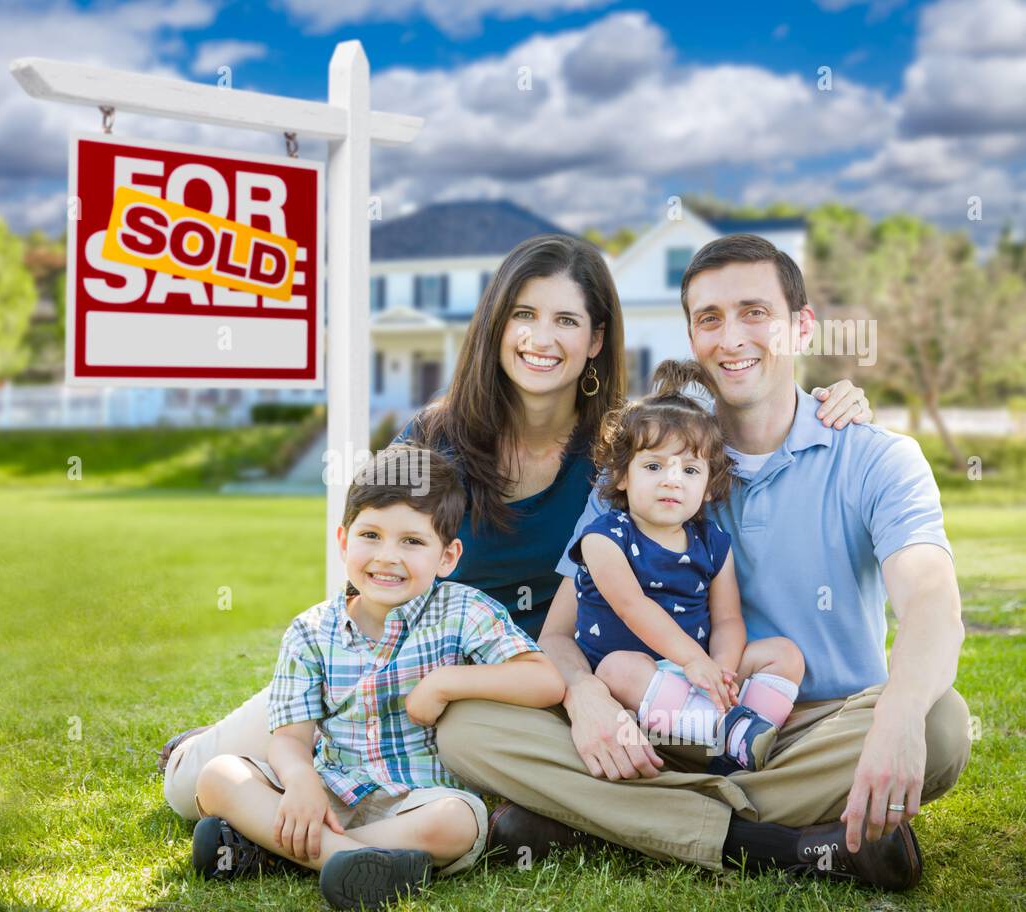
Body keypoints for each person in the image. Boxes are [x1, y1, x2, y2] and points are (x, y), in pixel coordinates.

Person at [160, 232, 874, 824]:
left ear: (596, 339)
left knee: (459, 783)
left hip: (547, 684)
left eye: (566, 321)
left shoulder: (625, 450)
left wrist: (833, 399)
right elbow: (375, 569)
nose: (541, 338)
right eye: (523, 315)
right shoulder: (435, 438)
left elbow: (721, 432)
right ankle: (214, 758)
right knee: (192, 783)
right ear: (496, 324)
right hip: (420, 665)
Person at [435, 234, 971, 892]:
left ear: (801, 326)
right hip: (655, 717)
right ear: (692, 336)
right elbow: (559, 634)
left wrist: (895, 716)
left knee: (939, 722)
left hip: (802, 731)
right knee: (466, 726)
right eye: (709, 318)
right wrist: (587, 696)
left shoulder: (875, 457)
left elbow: (933, 605)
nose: (732, 336)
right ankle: (780, 842)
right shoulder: (649, 460)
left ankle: (598, 816)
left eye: (755, 312)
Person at [190, 445, 564, 911]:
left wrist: (446, 682)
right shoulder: (311, 631)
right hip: (331, 790)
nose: (387, 557)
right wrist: (302, 781)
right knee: (218, 776)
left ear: (447, 556)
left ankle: (273, 852)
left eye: (412, 542)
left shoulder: (464, 610)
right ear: (344, 541)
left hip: (417, 801)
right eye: (371, 535)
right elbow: (289, 738)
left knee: (459, 822)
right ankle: (354, 861)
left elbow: (544, 680)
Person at [573, 360, 804, 775]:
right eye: (654, 466)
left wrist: (722, 671)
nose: (672, 480)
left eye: (691, 469)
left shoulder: (712, 542)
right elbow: (633, 607)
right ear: (622, 475)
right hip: (637, 685)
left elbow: (729, 618)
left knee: (783, 655)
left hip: (696, 676)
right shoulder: (604, 537)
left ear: (709, 483)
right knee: (616, 669)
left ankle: (739, 733)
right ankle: (729, 735)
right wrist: (694, 661)